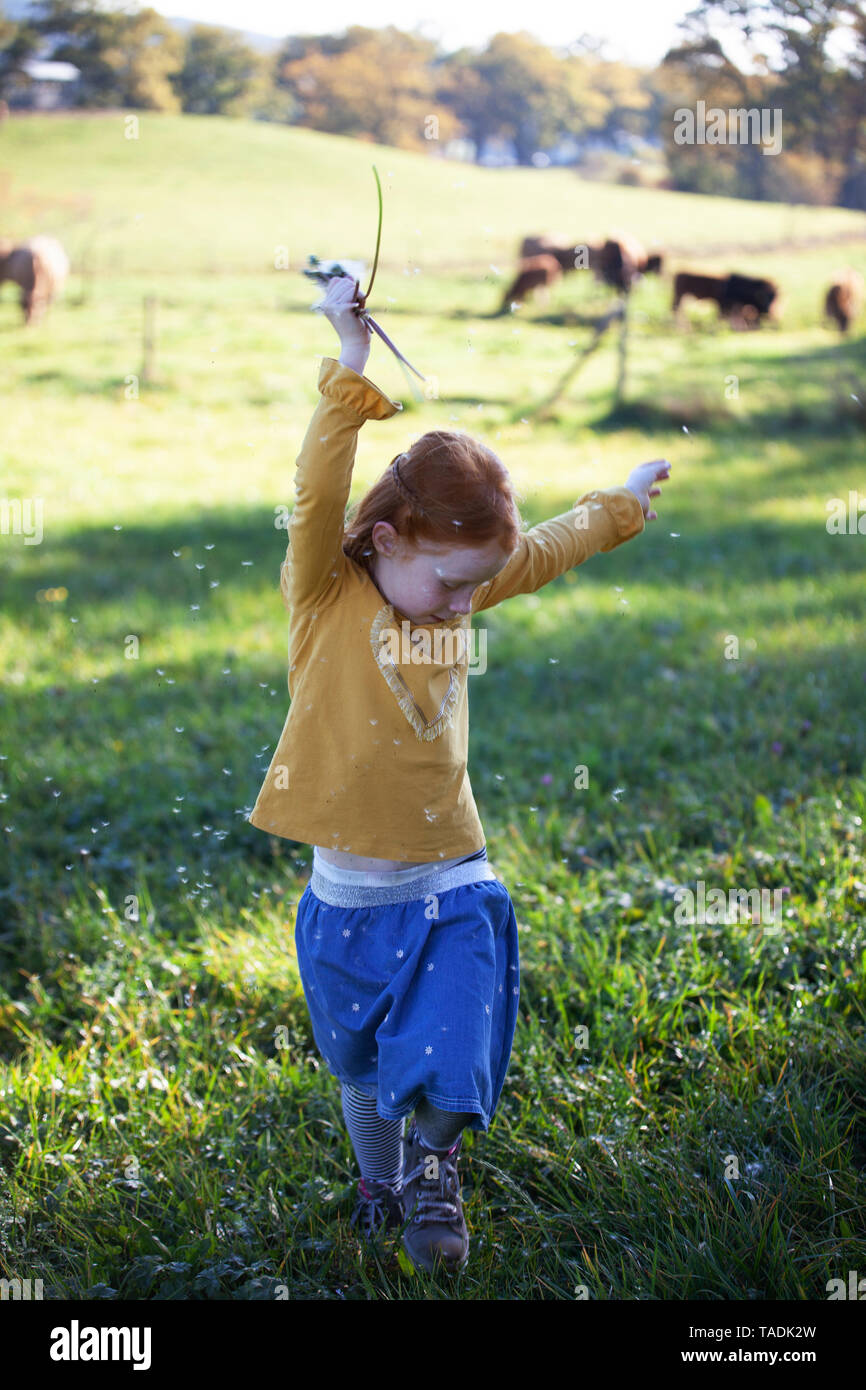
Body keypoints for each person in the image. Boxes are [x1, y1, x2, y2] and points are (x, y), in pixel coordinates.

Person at [248, 273, 671, 1273]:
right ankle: (381, 1180)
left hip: (449, 878)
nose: (455, 609)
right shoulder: (323, 593)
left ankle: (434, 1168)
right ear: (388, 538)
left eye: (472, 588)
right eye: (446, 583)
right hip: (344, 896)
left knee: (444, 1038)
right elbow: (316, 492)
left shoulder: (458, 586)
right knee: (357, 1065)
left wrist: (620, 505)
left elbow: (550, 545)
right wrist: (350, 368)